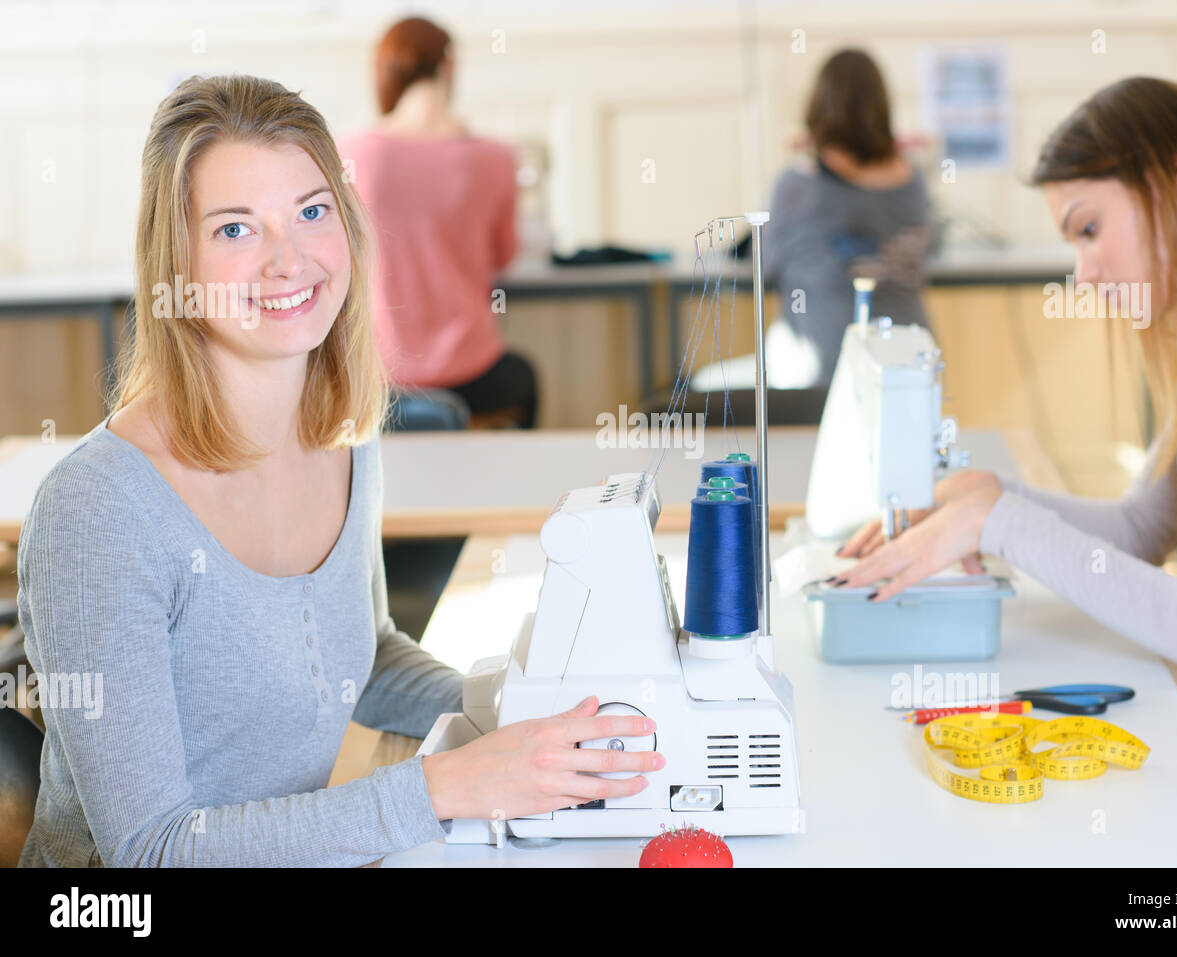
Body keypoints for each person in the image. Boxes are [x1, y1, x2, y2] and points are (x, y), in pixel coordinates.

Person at [16, 74, 660, 867]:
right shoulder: (98, 509)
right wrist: (443, 786)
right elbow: (151, 851)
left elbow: (363, 652)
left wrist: (511, 705)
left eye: (311, 212)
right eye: (235, 229)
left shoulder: (343, 438)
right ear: (173, 260)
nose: (289, 260)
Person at [832, 77, 1177, 796]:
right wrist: (990, 493)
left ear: (1175, 187)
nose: (1083, 275)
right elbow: (1142, 528)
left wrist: (999, 521)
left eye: (1089, 229)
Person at [339, 16, 538, 430]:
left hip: (380, 379)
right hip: (472, 376)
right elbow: (504, 256)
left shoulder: (350, 154)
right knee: (525, 377)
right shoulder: (495, 158)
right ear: (448, 67)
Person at [764, 47, 933, 388]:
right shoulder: (912, 180)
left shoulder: (798, 183)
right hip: (908, 365)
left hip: (817, 369)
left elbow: (768, 266)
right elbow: (932, 248)